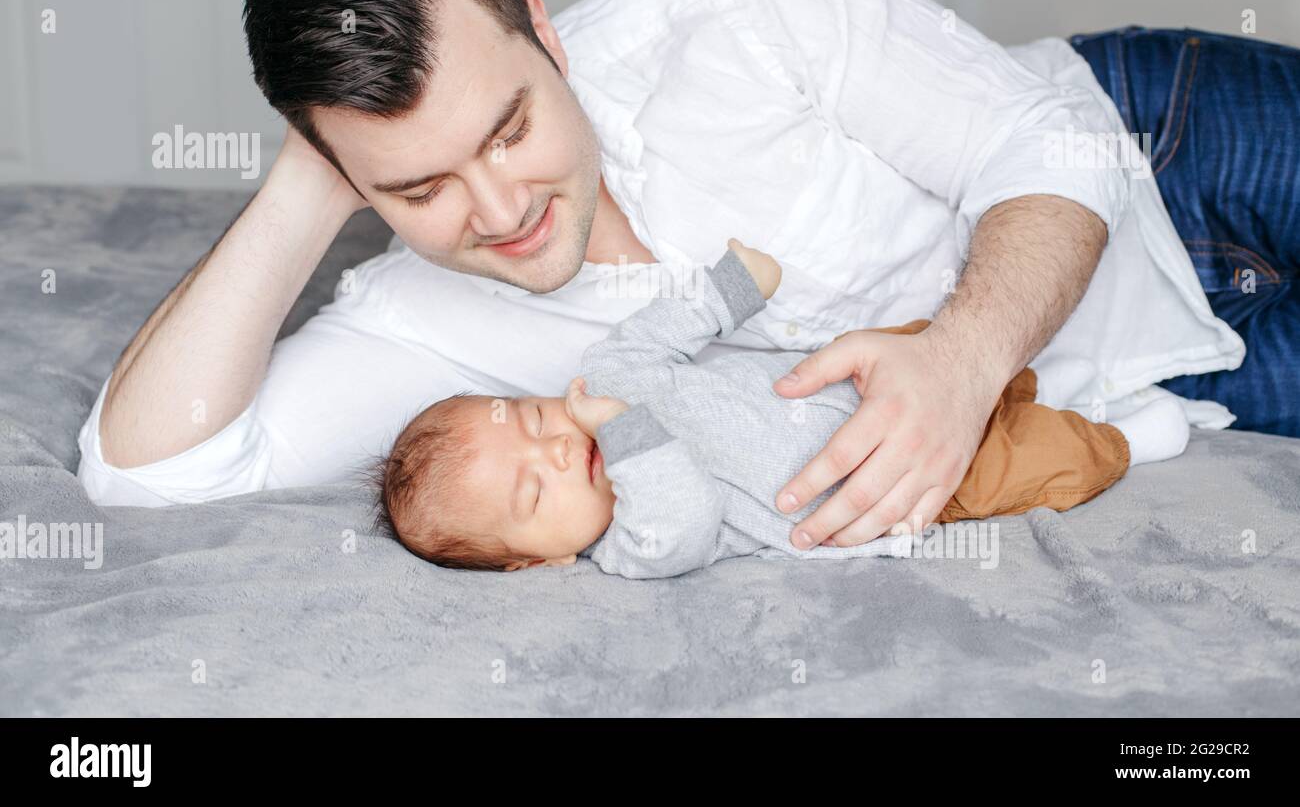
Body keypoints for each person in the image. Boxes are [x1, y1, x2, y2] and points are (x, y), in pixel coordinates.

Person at [79, 0, 1290, 552]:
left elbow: (1044, 146)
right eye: (416, 184)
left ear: (546, 36)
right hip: (1166, 378)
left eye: (508, 128)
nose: (498, 211)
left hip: (1158, 140)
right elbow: (151, 474)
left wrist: (965, 358)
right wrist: (308, 179)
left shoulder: (723, 5)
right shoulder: (419, 320)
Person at [377, 239, 1190, 578]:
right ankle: (1120, 438)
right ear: (536, 562)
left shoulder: (604, 372)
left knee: (958, 351)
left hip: (859, 378)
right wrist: (618, 430)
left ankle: (1065, 375)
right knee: (1037, 462)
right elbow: (685, 506)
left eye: (528, 421)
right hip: (900, 483)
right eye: (533, 492)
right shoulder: (634, 546)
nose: (556, 451)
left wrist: (734, 284)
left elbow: (666, 329)